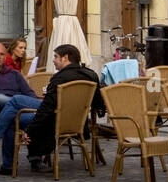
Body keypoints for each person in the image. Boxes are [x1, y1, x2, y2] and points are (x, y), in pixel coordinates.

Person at [23, 44, 106, 172]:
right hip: (79, 124)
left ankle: (32, 158)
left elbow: (46, 109)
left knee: (20, 115)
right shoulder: (91, 75)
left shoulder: (59, 78)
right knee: (19, 105)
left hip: (54, 126)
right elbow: (98, 102)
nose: (53, 60)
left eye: (56, 57)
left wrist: (30, 130)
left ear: (65, 58)